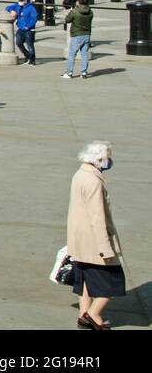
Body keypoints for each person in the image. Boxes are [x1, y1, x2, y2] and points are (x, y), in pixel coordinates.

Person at [67, 141, 123, 330]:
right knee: (113, 281)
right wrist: (105, 248)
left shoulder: (80, 174)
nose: (110, 160)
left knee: (84, 278)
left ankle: (83, 314)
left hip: (79, 238)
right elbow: (97, 217)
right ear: (99, 159)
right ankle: (93, 315)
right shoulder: (93, 181)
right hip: (93, 240)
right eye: (108, 157)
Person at [62, 0, 93, 79]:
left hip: (77, 34)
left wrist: (70, 12)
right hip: (86, 34)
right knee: (84, 55)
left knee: (72, 54)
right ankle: (84, 72)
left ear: (78, 2)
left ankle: (69, 72)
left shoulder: (75, 11)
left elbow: (67, 20)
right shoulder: (90, 12)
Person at [4, 0, 38, 65]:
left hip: (29, 30)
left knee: (30, 45)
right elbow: (8, 7)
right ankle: (28, 56)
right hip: (20, 28)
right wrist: (11, 10)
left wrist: (27, 26)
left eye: (21, 1)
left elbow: (34, 18)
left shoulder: (31, 8)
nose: (20, 2)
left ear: (26, 1)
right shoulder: (18, 5)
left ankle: (32, 60)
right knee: (18, 43)